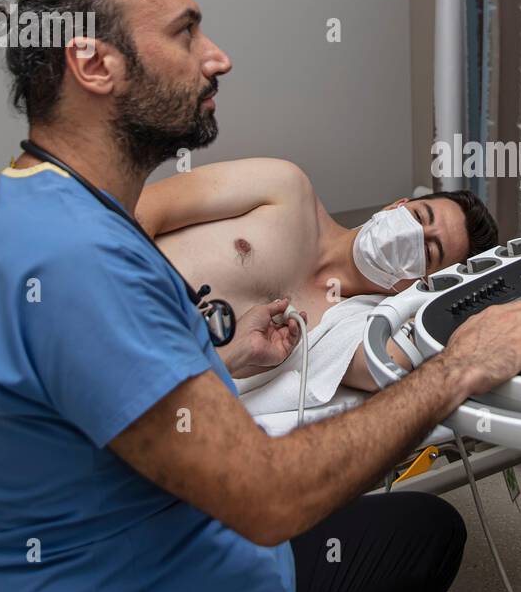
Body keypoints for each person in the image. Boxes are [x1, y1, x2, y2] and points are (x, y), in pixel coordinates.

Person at [0, 0, 521, 592]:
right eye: (185, 34)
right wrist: (459, 367)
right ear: (94, 66)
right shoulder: (79, 262)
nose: (218, 59)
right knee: (416, 535)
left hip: (165, 539)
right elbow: (268, 499)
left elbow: (114, 387)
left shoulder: (39, 206)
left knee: (421, 527)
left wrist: (222, 359)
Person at [136, 161, 497, 410]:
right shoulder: (284, 189)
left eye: (428, 250)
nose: (412, 235)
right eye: (419, 217)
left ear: (422, 284)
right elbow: (139, 210)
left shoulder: (353, 327)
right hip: (100, 295)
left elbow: (390, 365)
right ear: (397, 205)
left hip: (145, 388)